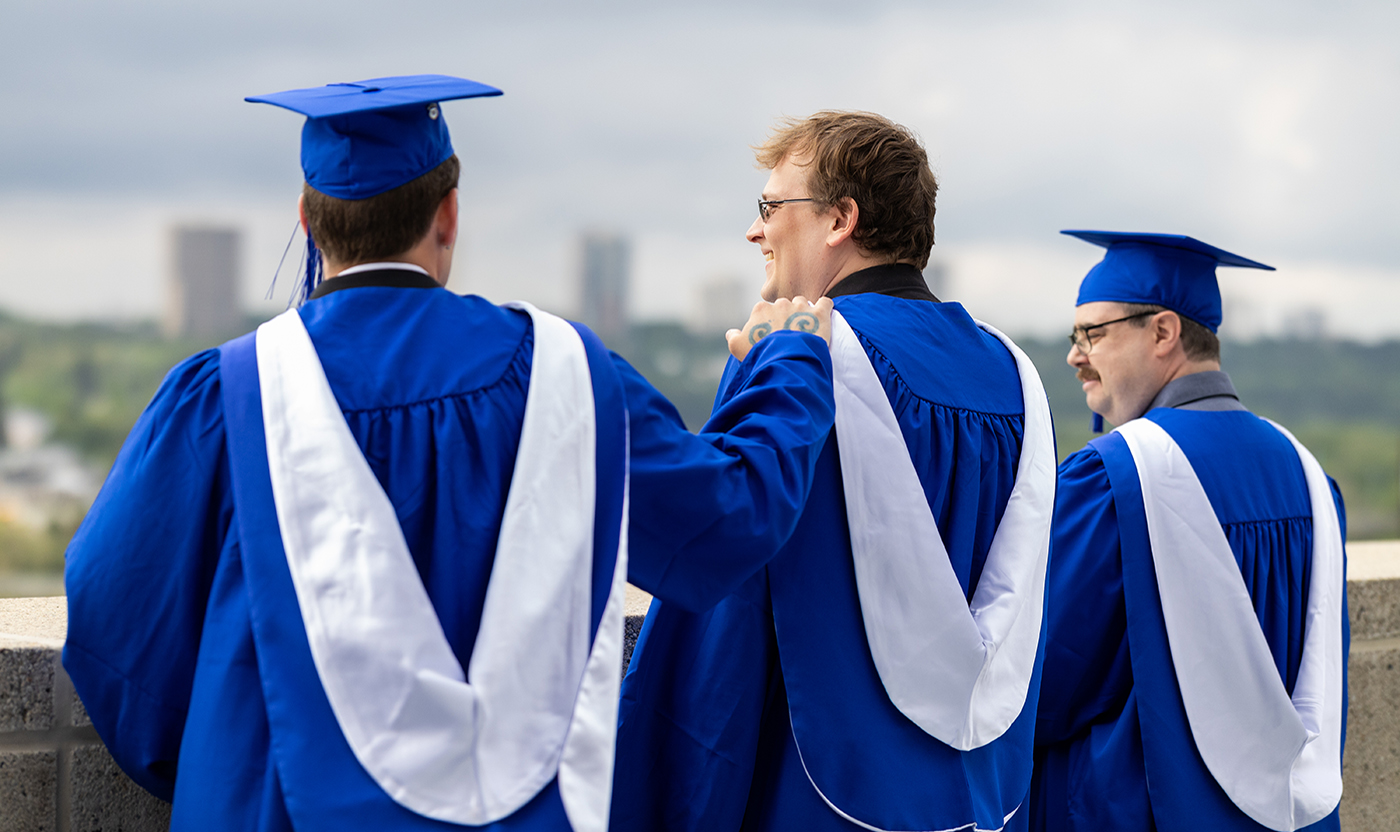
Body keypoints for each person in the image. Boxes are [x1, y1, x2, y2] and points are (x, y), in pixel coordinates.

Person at [62, 75, 840, 832]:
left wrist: (223, 751)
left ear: (307, 219)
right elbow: (728, 519)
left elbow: (115, 622)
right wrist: (793, 356)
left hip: (266, 802)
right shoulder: (565, 376)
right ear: (449, 214)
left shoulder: (225, 396)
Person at [612, 111, 1057, 832]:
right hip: (982, 799)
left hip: (814, 790)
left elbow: (724, 621)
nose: (754, 231)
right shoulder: (1016, 376)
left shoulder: (796, 355)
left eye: (769, 207)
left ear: (840, 220)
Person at [1028, 231, 1349, 832]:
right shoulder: (1308, 477)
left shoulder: (1114, 478)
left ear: (1163, 332)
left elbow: (1041, 681)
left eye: (1093, 334)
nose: (1075, 356)